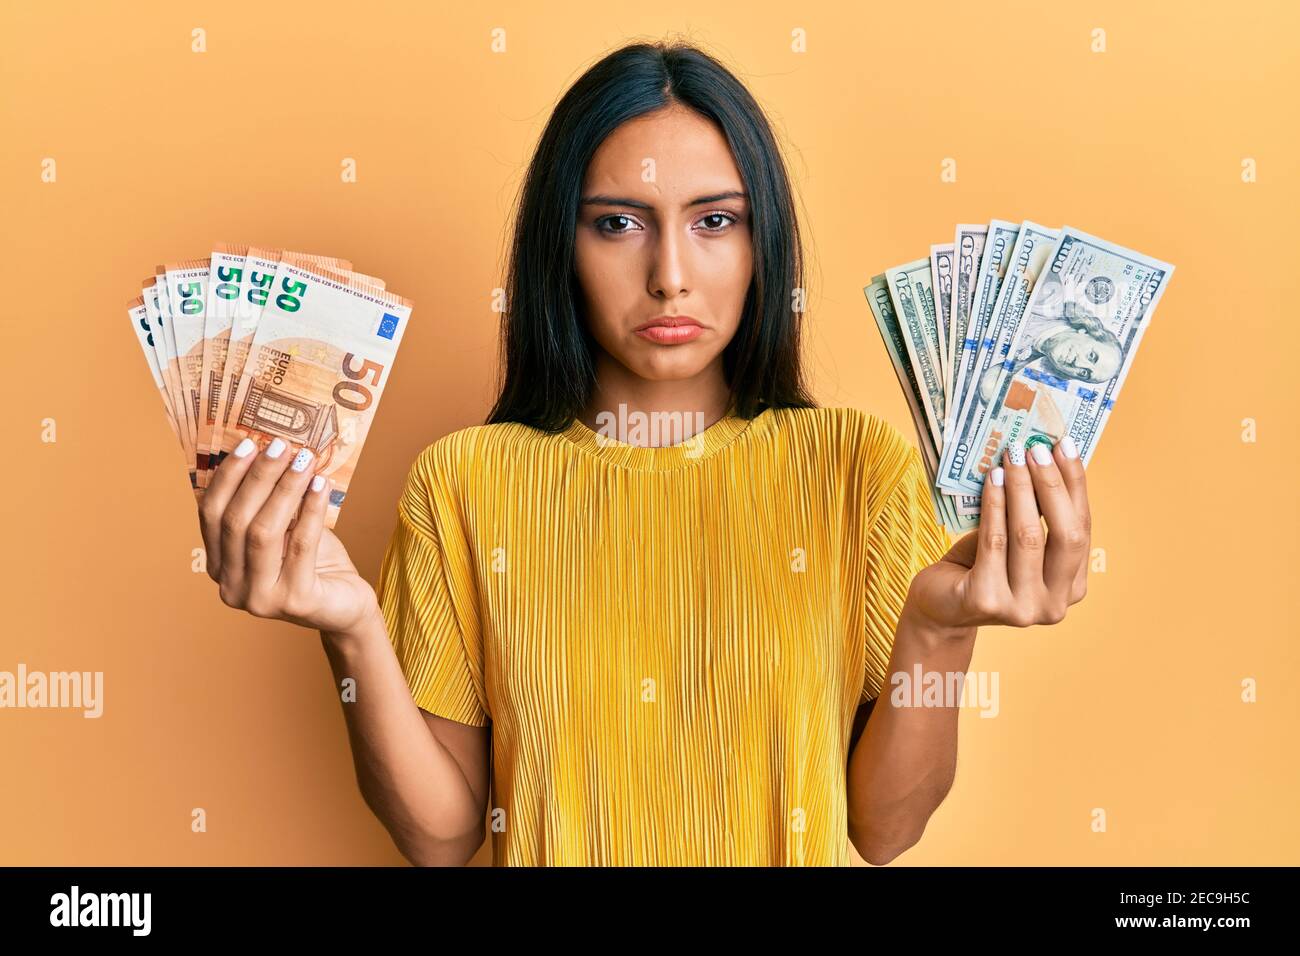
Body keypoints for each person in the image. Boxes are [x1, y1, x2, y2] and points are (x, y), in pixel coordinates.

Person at [196, 40, 1093, 866]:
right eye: (619, 223)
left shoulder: (856, 468)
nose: (670, 271)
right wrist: (350, 632)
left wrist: (941, 631)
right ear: (561, 247)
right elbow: (443, 835)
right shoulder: (464, 481)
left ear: (762, 243)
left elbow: (884, 830)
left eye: (714, 221)